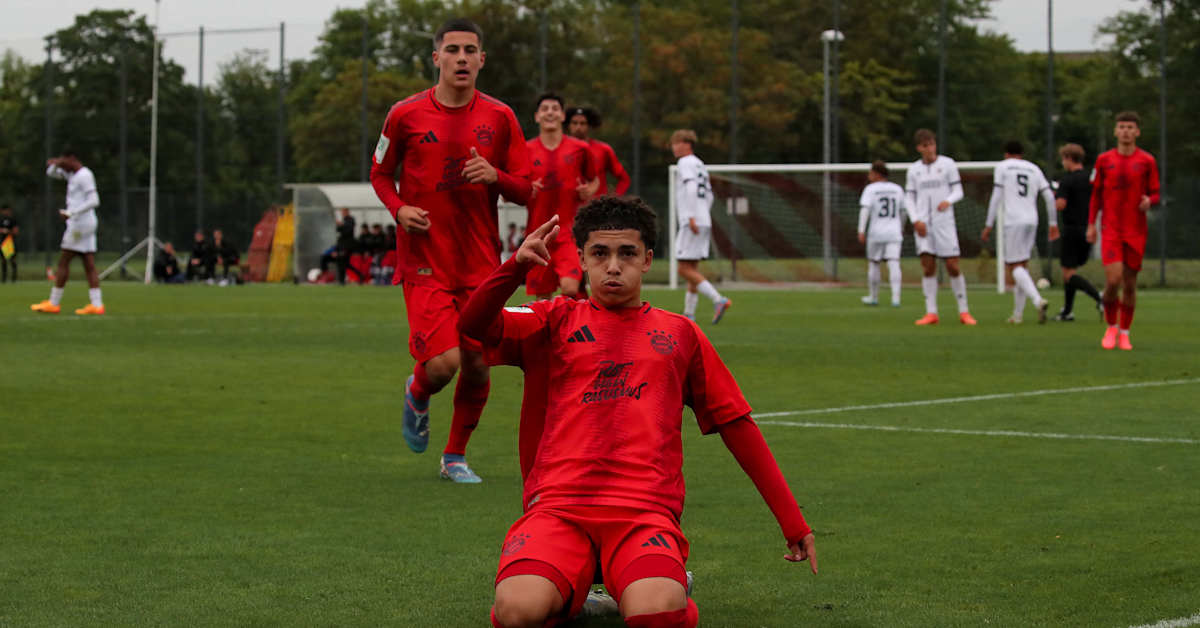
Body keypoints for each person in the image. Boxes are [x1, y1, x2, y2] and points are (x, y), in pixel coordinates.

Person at [459, 199, 817, 628]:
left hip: (643, 512)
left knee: (657, 611)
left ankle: (659, 582)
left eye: (627, 253)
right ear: (582, 259)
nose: (613, 266)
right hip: (558, 508)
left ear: (647, 259)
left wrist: (793, 522)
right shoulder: (551, 319)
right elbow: (474, 324)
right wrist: (514, 268)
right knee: (517, 610)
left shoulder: (680, 333)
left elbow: (735, 423)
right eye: (600, 254)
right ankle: (575, 594)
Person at [370, 17, 532, 482]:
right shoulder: (404, 114)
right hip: (424, 259)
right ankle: (418, 391)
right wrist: (399, 209)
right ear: (436, 57)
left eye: (470, 50)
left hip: (480, 261)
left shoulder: (500, 117)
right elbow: (380, 173)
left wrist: (496, 177)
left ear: (482, 60)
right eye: (453, 49)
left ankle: (455, 457)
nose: (462, 58)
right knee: (445, 364)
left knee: (479, 365)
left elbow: (525, 188)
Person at [1088, 111, 1160, 351]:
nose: (1126, 131)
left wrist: (1150, 200)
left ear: (1137, 132)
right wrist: (1091, 225)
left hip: (1136, 230)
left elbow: (1156, 193)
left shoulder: (1147, 161)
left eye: (1130, 127)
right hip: (1110, 229)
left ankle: (1125, 333)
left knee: (1129, 285)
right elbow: (1095, 194)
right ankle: (1111, 326)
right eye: (1122, 127)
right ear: (1115, 131)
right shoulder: (1104, 160)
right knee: (1113, 280)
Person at [525, 92, 597, 299]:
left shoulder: (580, 149)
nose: (550, 113)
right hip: (537, 234)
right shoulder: (525, 149)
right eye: (545, 109)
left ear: (562, 116)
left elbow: (594, 181)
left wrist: (589, 190)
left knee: (570, 288)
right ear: (537, 116)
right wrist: (525, 189)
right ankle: (552, 330)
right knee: (542, 297)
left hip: (568, 233)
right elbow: (514, 188)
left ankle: (569, 327)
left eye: (555, 109)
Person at [981, 141, 1060, 324]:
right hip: (1032, 220)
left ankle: (1038, 300)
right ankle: (1017, 315)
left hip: (1013, 221)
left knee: (1014, 267)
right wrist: (1053, 223)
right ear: (1022, 154)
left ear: (1006, 154)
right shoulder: (1034, 168)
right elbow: (1049, 197)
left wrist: (988, 224)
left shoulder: (1003, 167)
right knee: (1021, 266)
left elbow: (996, 196)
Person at [906, 129, 976, 326]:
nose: (930, 149)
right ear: (919, 148)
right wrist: (915, 220)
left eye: (932, 144)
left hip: (944, 223)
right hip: (923, 224)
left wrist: (948, 200)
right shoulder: (914, 170)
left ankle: (964, 312)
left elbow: (958, 190)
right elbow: (909, 197)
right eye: (925, 146)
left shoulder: (948, 164)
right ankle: (931, 313)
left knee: (953, 265)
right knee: (928, 267)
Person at [31, 148, 105, 315]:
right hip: (85, 223)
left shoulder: (85, 175)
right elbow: (51, 173)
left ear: (72, 159)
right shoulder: (72, 175)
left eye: (65, 161)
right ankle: (97, 304)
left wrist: (72, 213)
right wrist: (57, 164)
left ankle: (54, 302)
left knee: (64, 261)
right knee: (89, 264)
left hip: (79, 224)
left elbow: (94, 200)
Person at [670, 129, 731, 324]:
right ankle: (689, 314)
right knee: (692, 268)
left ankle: (718, 299)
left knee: (682, 269)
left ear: (687, 144)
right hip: (703, 218)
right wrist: (703, 214)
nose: (674, 147)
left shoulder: (685, 163)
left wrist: (690, 216)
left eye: (676, 143)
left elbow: (691, 188)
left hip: (692, 220)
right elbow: (710, 194)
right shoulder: (700, 164)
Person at [1053, 143, 1103, 321]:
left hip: (1072, 229)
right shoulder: (1090, 178)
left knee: (1068, 274)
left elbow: (1061, 205)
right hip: (1088, 228)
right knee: (1071, 270)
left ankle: (1099, 297)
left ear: (1068, 158)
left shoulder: (1067, 180)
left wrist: (1053, 195)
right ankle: (1067, 311)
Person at [856, 161, 906, 307]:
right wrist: (901, 227)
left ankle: (873, 296)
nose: (869, 175)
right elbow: (904, 211)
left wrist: (861, 230)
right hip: (894, 231)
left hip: (876, 232)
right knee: (894, 262)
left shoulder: (870, 189)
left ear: (877, 174)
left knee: (874, 262)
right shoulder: (897, 189)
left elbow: (865, 210)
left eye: (871, 173)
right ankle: (896, 298)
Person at [566, 106, 631, 196]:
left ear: (589, 126)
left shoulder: (603, 150)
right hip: (569, 207)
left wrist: (614, 199)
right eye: (574, 123)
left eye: (583, 123)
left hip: (595, 206)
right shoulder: (560, 150)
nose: (578, 127)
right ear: (568, 125)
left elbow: (624, 179)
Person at [334, 207, 356, 285]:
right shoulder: (344, 221)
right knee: (344, 263)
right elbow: (338, 230)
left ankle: (342, 280)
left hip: (347, 245)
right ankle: (341, 280)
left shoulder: (350, 220)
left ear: (347, 212)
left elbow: (348, 231)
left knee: (343, 263)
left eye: (343, 212)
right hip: (342, 245)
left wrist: (341, 225)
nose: (342, 214)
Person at [0, 203, 18, 282]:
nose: (6, 212)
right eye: (4, 211)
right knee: (3, 260)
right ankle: (4, 279)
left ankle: (14, 278)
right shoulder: (0, 220)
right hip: (3, 243)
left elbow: (16, 231)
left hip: (11, 242)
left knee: (13, 260)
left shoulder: (13, 220)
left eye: (7, 210)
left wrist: (8, 231)